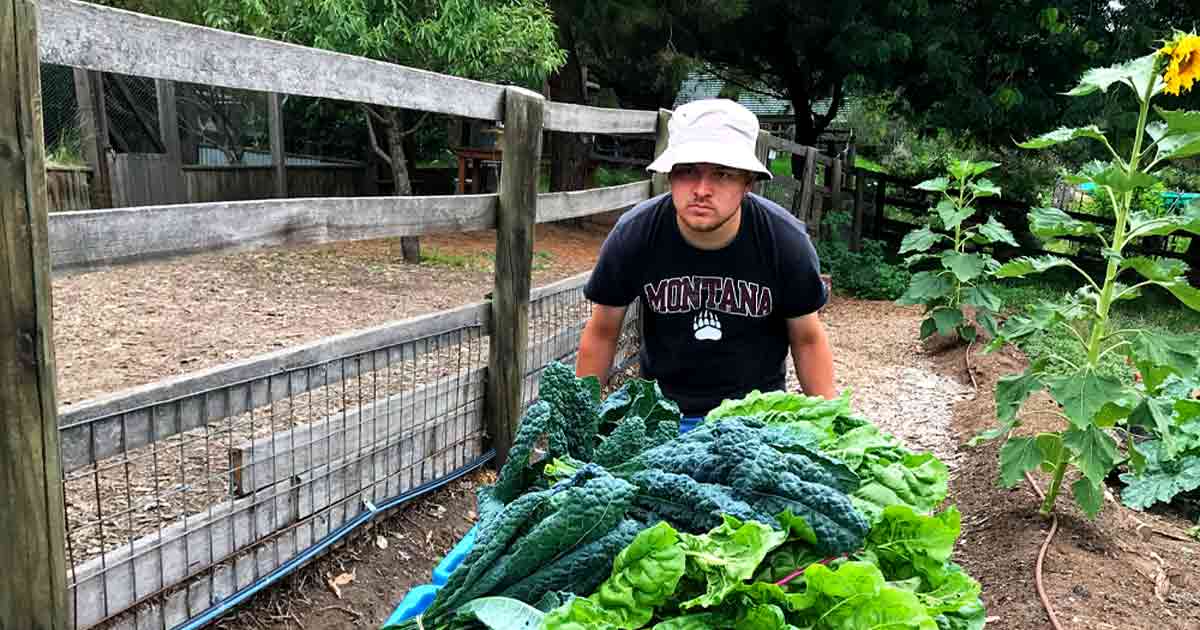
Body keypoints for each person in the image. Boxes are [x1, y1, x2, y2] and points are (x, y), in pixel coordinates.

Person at [575, 98, 835, 433]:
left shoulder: (784, 241)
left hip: (757, 420)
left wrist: (830, 431)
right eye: (687, 172)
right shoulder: (635, 234)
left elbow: (808, 339)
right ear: (670, 177)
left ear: (748, 182)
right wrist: (579, 428)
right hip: (662, 418)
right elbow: (602, 331)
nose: (701, 190)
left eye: (722, 174)